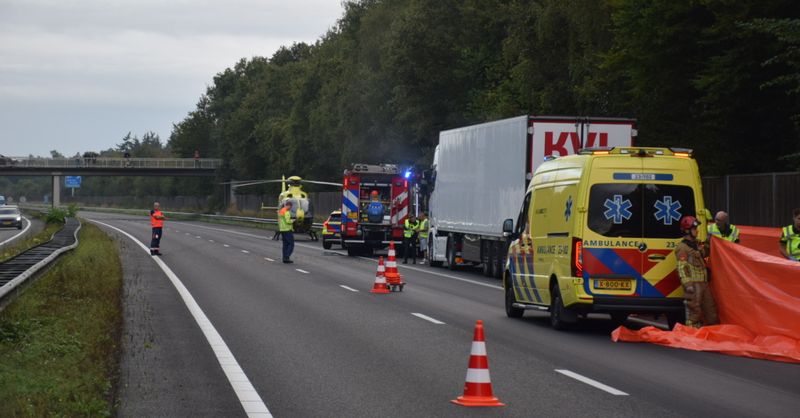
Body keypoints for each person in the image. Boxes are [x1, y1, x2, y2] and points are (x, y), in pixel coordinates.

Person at [675, 215, 719, 328]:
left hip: (703, 284)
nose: (697, 231)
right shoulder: (682, 248)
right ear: (687, 231)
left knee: (711, 312)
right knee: (694, 313)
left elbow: (703, 254)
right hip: (693, 286)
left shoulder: (696, 245)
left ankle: (711, 336)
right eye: (694, 229)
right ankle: (691, 337)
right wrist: (688, 285)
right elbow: (681, 268)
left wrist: (709, 241)